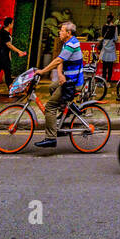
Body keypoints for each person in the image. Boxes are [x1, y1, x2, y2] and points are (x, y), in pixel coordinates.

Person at [34, 20, 84, 148]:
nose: (59, 32)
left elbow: (58, 60)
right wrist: (60, 74)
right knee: (52, 87)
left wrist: (42, 71)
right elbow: (61, 61)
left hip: (72, 83)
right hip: (67, 79)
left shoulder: (71, 44)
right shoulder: (66, 43)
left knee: (50, 106)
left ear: (68, 33)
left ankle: (51, 138)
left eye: (62, 30)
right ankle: (67, 107)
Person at [0, 17, 27, 92]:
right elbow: (8, 45)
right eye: (12, 23)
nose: (13, 24)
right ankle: (10, 88)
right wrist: (19, 51)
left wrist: (10, 57)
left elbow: (7, 47)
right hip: (2, 56)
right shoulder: (4, 33)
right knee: (6, 72)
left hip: (4, 56)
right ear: (9, 24)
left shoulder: (6, 33)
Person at [99, 13, 119, 81]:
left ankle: (103, 80)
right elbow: (116, 38)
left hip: (105, 47)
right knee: (110, 66)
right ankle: (109, 80)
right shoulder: (114, 27)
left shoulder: (104, 26)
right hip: (111, 47)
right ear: (112, 19)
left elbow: (102, 36)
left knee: (104, 66)